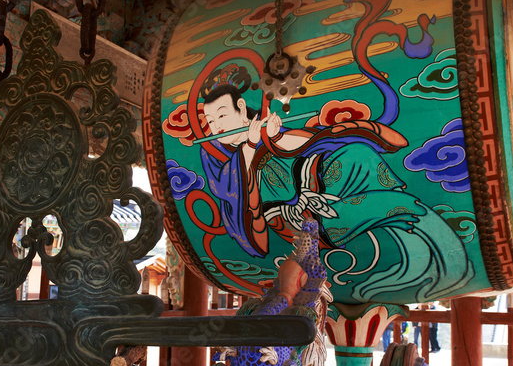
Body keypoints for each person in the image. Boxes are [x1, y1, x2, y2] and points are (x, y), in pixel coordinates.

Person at [196, 63, 474, 305]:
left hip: (319, 186)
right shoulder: (226, 160)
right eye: (210, 121)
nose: (216, 127)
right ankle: (433, 249)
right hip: (299, 219)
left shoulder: (265, 128)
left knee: (357, 153)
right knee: (394, 206)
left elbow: (312, 145)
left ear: (241, 107)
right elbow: (236, 197)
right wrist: (251, 147)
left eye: (221, 116)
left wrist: (277, 138)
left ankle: (409, 243)